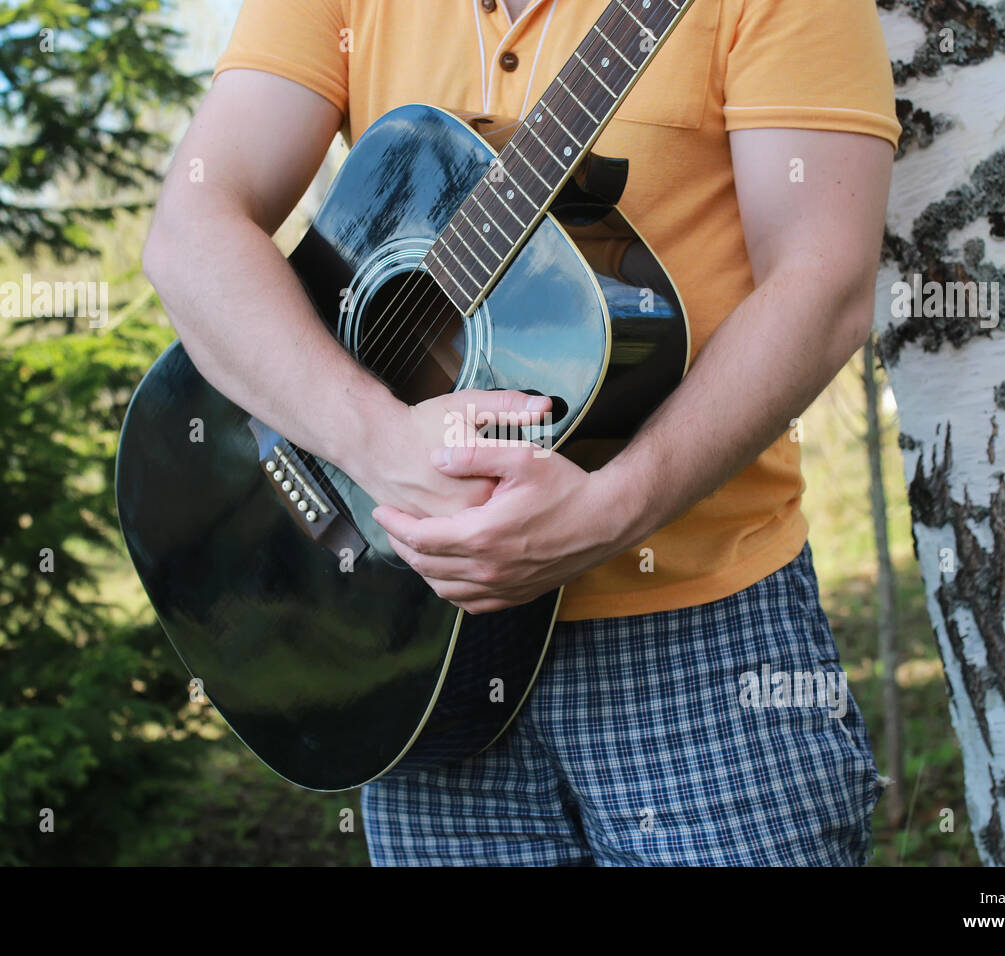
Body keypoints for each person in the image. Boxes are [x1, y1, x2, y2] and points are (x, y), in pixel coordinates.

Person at [142, 0, 901, 866]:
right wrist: (376, 445)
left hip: (701, 647)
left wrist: (610, 511)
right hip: (411, 645)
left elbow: (823, 281)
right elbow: (191, 233)